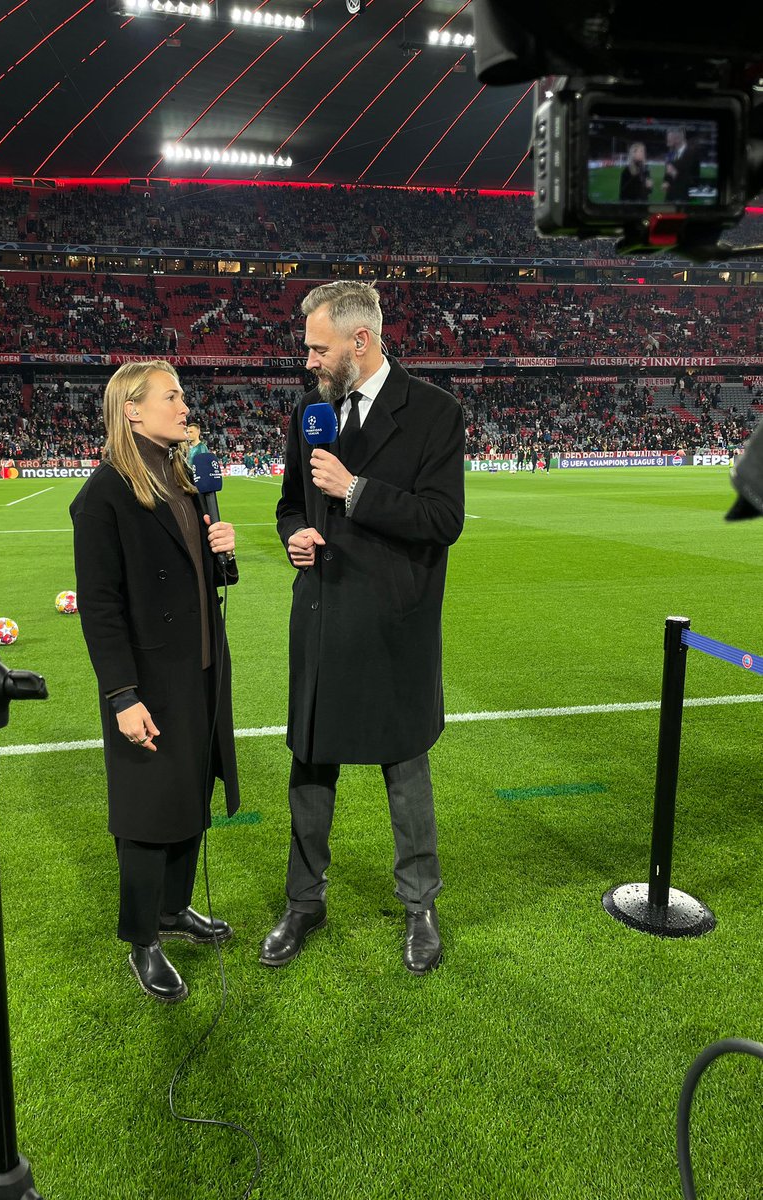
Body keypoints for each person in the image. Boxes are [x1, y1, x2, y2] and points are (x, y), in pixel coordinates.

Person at [260, 281, 466, 976]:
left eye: (318, 346)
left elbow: (443, 521)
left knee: (405, 768)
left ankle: (420, 907)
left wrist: (355, 491)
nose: (307, 358)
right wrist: (294, 535)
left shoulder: (437, 413)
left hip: (394, 624)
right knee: (310, 765)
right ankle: (303, 901)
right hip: (321, 615)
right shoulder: (309, 412)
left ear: (360, 340)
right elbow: (291, 503)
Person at [70, 360, 240, 1004]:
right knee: (147, 811)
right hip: (147, 680)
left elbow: (205, 579)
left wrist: (222, 551)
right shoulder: (105, 493)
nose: (184, 404)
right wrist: (121, 696)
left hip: (199, 668)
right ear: (133, 410)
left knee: (191, 795)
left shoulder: (184, 477)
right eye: (172, 396)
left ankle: (173, 911)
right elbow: (101, 605)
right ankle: (144, 939)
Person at [662, 127, 702, 204]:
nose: (667, 140)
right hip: (670, 195)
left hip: (683, 196)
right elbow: (668, 171)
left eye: (669, 138)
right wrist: (666, 181)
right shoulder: (671, 152)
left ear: (677, 138)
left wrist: (675, 173)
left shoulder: (692, 152)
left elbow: (693, 178)